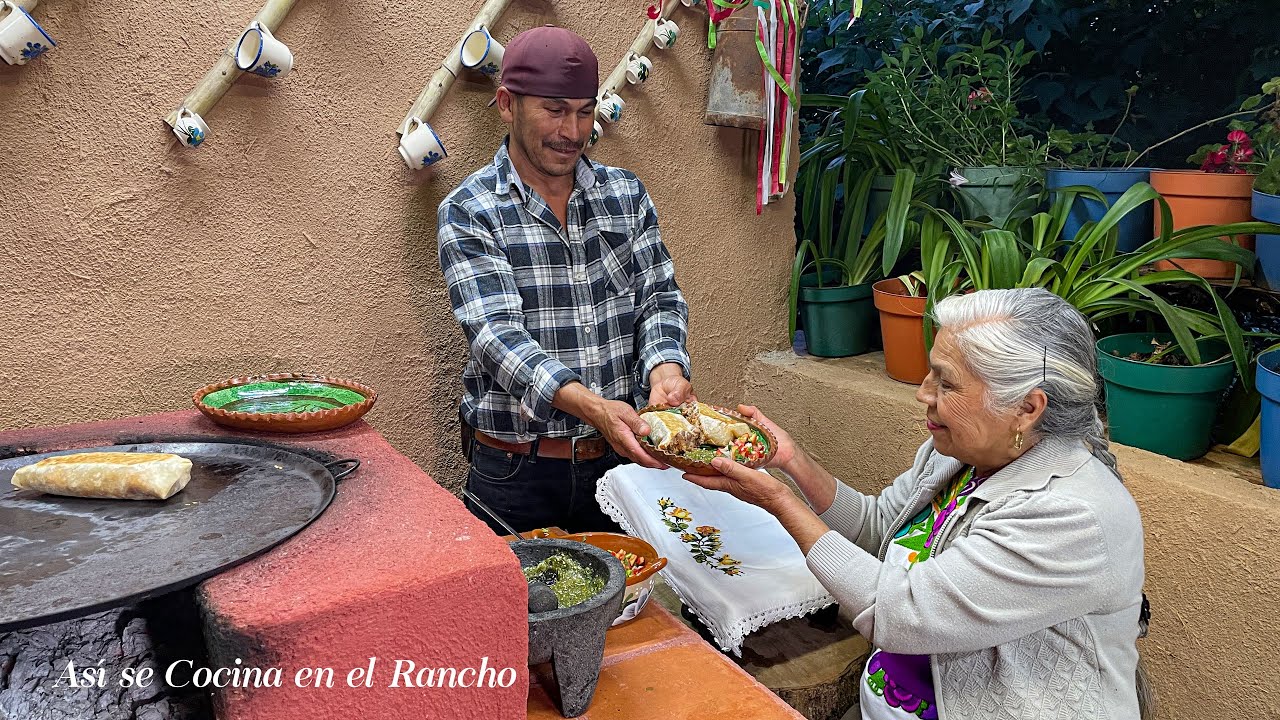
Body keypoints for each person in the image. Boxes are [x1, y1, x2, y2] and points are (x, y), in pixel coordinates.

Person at [685, 288, 1149, 719]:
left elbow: (902, 613)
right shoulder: (958, 455)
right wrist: (793, 462)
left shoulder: (1070, 514)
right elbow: (877, 528)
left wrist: (780, 502)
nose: (923, 393)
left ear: (1027, 409)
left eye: (946, 384)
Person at [437, 25, 693, 536]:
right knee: (515, 613)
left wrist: (665, 366)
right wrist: (592, 407)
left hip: (620, 467)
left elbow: (658, 296)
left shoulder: (625, 195)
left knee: (632, 612)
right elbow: (496, 337)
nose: (572, 131)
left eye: (583, 110)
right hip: (517, 471)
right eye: (554, 110)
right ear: (507, 104)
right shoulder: (471, 210)